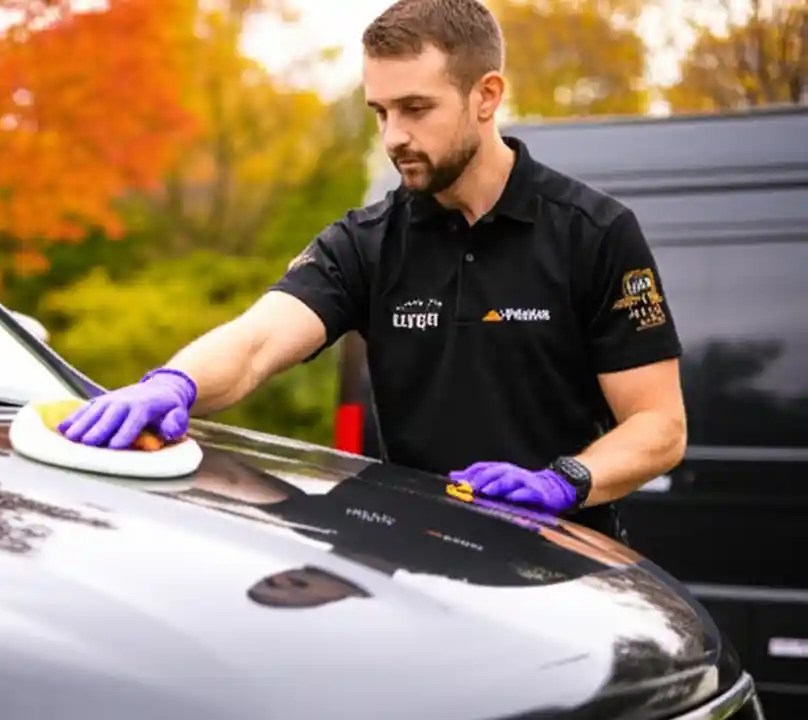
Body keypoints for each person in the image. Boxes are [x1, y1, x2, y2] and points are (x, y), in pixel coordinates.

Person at [58, 0, 687, 541]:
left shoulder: (593, 232)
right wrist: (175, 382)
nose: (393, 137)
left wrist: (565, 480)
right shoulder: (368, 241)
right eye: (381, 112)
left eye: (416, 108)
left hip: (565, 576)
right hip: (412, 570)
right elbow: (256, 343)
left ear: (487, 96)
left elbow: (659, 426)